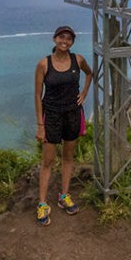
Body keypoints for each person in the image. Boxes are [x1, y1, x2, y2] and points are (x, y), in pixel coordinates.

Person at [34, 25, 93, 226]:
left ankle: (64, 195)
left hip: (72, 114)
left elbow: (90, 73)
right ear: (55, 39)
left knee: (68, 157)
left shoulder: (78, 60)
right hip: (51, 115)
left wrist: (84, 94)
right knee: (48, 160)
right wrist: (40, 125)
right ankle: (42, 203)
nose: (64, 41)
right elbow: (37, 95)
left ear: (72, 42)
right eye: (61, 37)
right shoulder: (44, 64)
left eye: (69, 38)